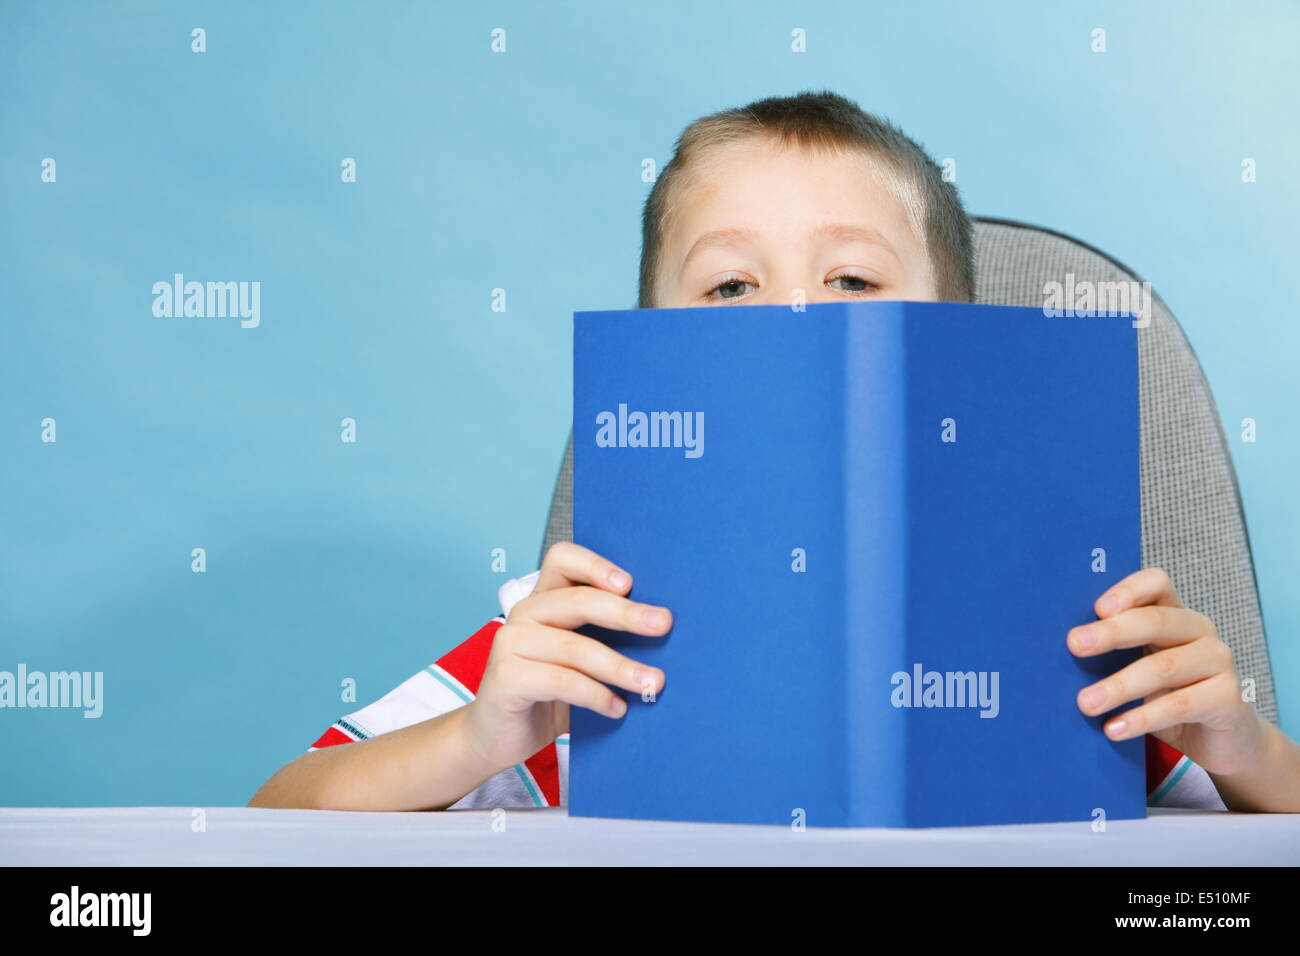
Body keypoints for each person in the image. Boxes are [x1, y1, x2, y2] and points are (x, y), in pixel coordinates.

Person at [248, 89, 1300, 814]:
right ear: (655, 347)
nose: (798, 322)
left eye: (851, 280)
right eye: (729, 285)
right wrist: (481, 738)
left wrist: (1240, 744)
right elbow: (280, 808)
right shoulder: (574, 631)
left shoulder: (1061, 630)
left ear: (959, 343)